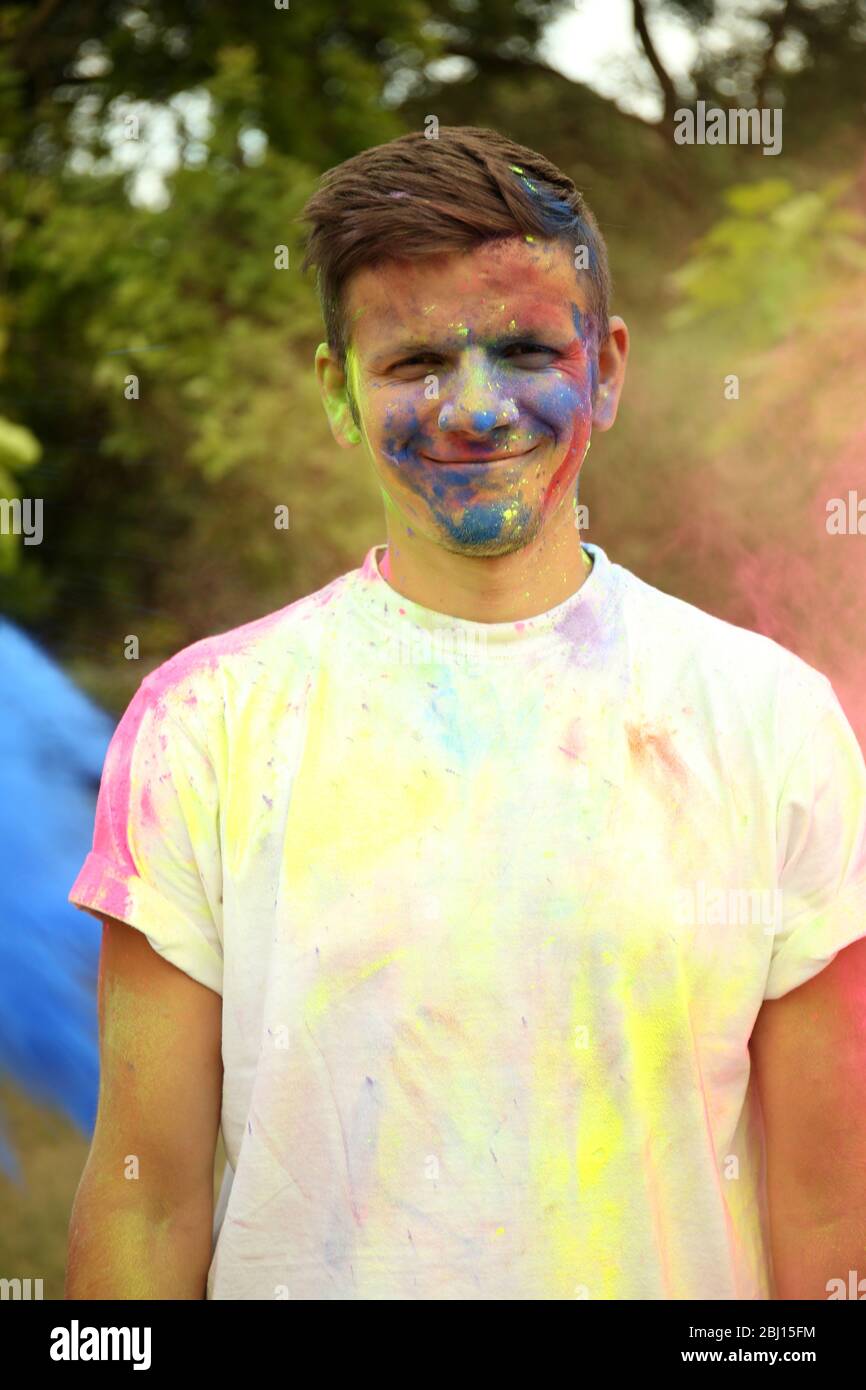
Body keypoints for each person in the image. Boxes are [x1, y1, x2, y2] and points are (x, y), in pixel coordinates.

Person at [65, 126, 866, 1301]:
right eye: (413, 363)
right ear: (335, 393)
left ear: (606, 367)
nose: (475, 409)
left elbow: (825, 1201)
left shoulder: (771, 718)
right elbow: (147, 1197)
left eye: (527, 348)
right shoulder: (203, 724)